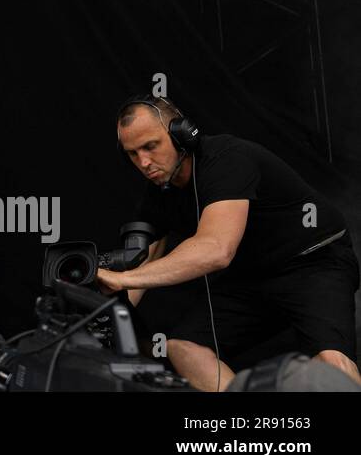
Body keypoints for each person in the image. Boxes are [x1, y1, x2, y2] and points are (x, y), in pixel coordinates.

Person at [97, 95, 361, 390]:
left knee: (333, 364)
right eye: (133, 154)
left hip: (312, 261)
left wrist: (122, 279)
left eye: (150, 146)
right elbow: (142, 261)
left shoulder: (228, 159)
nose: (144, 162)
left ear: (182, 133)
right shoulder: (159, 192)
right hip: (249, 279)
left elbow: (216, 250)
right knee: (183, 348)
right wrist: (102, 309)